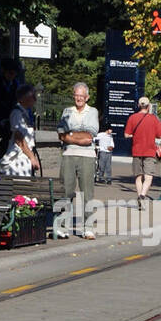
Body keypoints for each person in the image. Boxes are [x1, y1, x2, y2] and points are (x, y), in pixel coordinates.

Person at [57, 81, 99, 238]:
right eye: (76, 95)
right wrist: (76, 137)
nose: (79, 98)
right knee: (66, 191)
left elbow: (90, 135)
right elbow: (61, 133)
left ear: (87, 97)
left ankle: (88, 227)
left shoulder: (92, 111)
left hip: (87, 156)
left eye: (82, 96)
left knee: (87, 193)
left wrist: (71, 136)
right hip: (68, 154)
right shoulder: (67, 111)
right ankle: (62, 226)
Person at [124, 96, 161, 207]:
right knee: (148, 176)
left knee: (138, 176)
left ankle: (140, 196)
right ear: (148, 106)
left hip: (136, 150)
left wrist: (135, 135)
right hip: (150, 150)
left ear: (138, 105)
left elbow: (126, 135)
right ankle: (142, 196)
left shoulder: (132, 118)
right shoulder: (153, 119)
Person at [0, 57, 23, 161]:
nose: (12, 76)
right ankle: (3, 166)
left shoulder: (16, 85)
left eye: (14, 73)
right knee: (6, 138)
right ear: (4, 71)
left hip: (11, 118)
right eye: (10, 73)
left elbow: (21, 103)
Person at [0, 83, 40, 176]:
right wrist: (32, 157)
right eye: (32, 96)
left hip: (24, 157)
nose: (35, 99)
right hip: (17, 160)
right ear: (22, 99)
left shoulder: (25, 113)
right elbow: (19, 138)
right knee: (19, 185)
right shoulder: (17, 113)